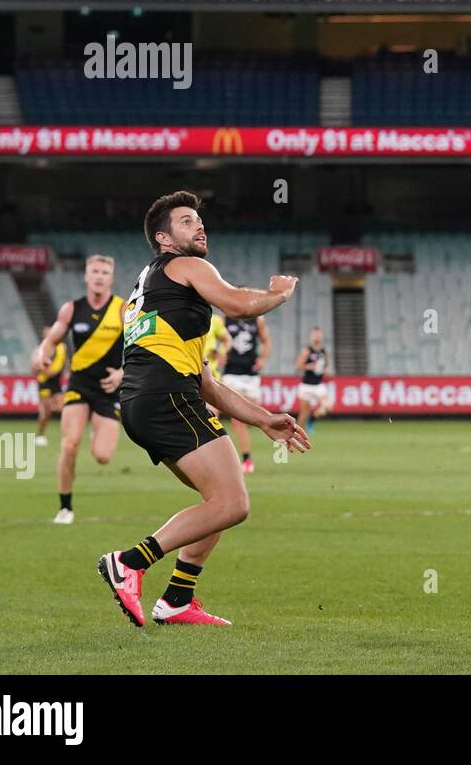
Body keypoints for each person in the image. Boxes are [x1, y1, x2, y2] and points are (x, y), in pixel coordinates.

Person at [98, 190, 307, 627]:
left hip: (146, 401)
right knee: (233, 502)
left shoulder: (154, 287)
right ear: (164, 238)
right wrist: (278, 295)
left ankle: (177, 598)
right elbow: (237, 304)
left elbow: (207, 383)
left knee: (216, 501)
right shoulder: (186, 266)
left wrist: (265, 418)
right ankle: (130, 562)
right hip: (166, 397)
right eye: (187, 221)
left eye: (199, 219)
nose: (199, 226)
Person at [30, 255, 124, 524]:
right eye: (94, 271)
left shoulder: (122, 309)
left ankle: (98, 423)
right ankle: (65, 507)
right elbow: (52, 339)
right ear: (86, 275)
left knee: (103, 456)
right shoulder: (72, 309)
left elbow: (139, 346)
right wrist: (42, 354)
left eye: (105, 272)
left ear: (111, 278)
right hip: (79, 384)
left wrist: (122, 373)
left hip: (109, 388)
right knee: (69, 444)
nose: (99, 276)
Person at [221, 314, 270, 472]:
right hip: (232, 373)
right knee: (237, 418)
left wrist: (262, 359)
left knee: (251, 415)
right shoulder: (225, 320)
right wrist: (220, 354)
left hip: (251, 375)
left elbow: (266, 341)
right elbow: (215, 338)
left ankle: (244, 454)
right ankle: (247, 458)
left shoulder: (258, 320)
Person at [295, 327, 331, 431]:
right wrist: (309, 366)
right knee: (304, 414)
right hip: (306, 385)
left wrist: (326, 370)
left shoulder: (324, 351)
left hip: (318, 385)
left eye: (319, 334)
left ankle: (312, 419)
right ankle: (297, 433)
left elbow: (326, 366)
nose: (317, 336)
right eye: (315, 334)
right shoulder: (307, 350)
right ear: (311, 336)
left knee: (327, 406)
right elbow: (298, 365)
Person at [34, 336, 67, 447]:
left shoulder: (62, 348)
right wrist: (40, 368)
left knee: (62, 408)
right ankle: (40, 434)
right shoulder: (41, 349)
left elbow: (60, 366)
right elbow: (34, 367)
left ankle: (67, 436)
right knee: (46, 411)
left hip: (56, 382)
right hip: (44, 382)